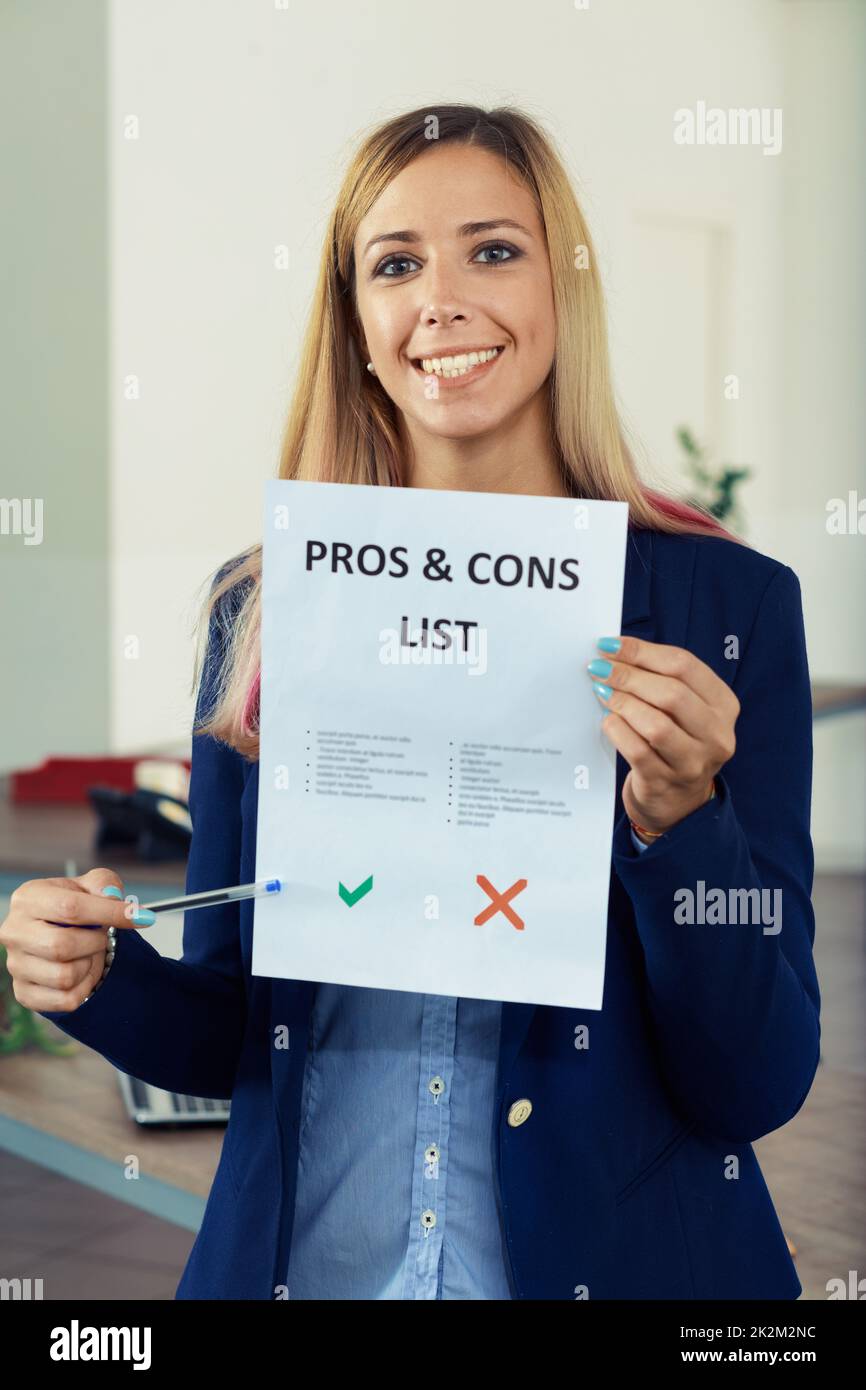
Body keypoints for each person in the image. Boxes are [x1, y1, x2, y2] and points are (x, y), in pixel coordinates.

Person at [1, 104, 820, 1300]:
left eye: (492, 249)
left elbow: (752, 1082)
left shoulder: (722, 607)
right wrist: (93, 972)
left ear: (562, 289)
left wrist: (680, 820)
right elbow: (234, 1035)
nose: (440, 299)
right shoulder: (264, 609)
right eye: (395, 264)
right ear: (359, 325)